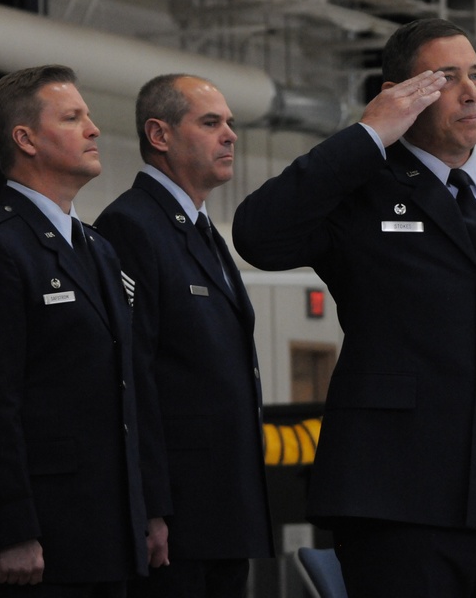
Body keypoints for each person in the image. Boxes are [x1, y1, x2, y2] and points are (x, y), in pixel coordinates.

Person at [232, 17, 476, 597]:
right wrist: (366, 136)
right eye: (446, 78)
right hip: (394, 492)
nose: (470, 91)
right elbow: (258, 236)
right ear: (401, 95)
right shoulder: (363, 185)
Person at [95, 74, 274, 597]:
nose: (230, 136)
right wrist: (151, 506)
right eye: (211, 122)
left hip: (224, 508)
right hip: (178, 516)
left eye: (231, 124)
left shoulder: (202, 230)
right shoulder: (131, 224)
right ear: (160, 134)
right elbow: (134, 376)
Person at [0, 64, 147, 596]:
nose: (94, 129)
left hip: (108, 526)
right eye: (73, 117)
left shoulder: (98, 247)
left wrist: (146, 510)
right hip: (43, 535)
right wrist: (10, 529)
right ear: (25, 139)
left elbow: (124, 390)